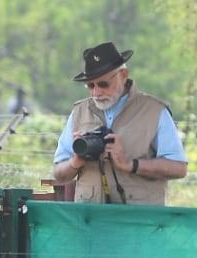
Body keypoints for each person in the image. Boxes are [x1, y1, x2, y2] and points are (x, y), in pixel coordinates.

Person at [52, 42, 187, 205]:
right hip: (90, 221)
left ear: (123, 75)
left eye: (103, 84)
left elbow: (179, 168)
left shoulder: (155, 111)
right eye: (90, 85)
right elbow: (58, 173)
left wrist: (131, 165)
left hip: (139, 222)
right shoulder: (79, 112)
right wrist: (75, 162)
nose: (96, 92)